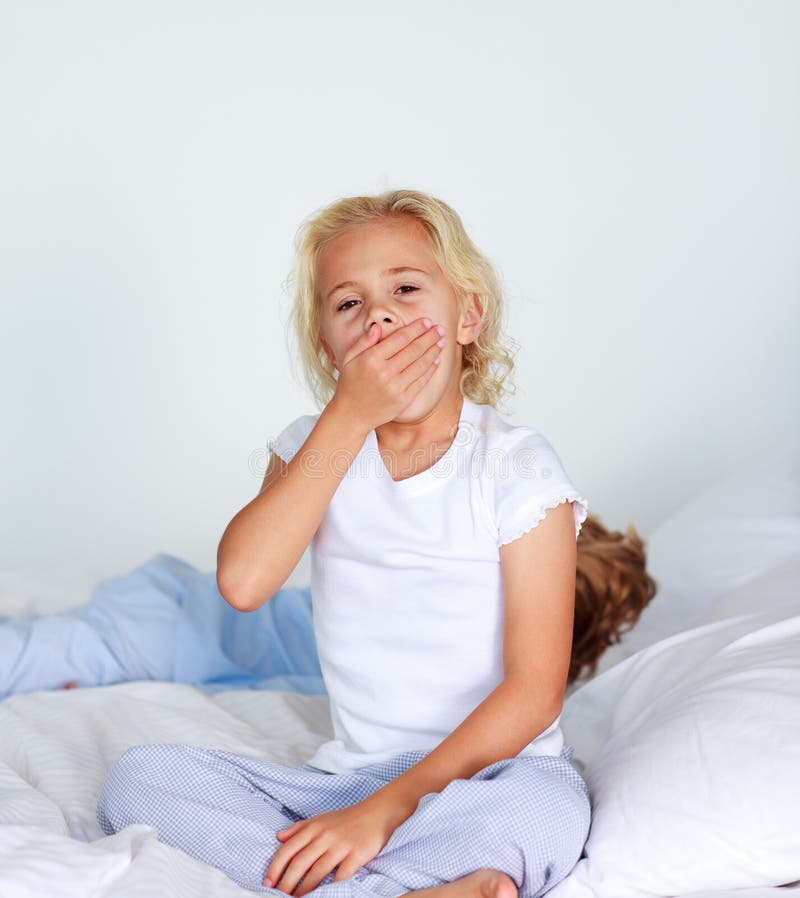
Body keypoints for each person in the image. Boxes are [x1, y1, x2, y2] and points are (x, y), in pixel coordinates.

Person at [95, 189, 655, 898]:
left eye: (407, 288)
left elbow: (534, 694)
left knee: (550, 811)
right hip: (351, 779)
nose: (379, 314)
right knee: (140, 779)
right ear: (329, 347)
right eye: (349, 304)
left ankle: (370, 881)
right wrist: (348, 417)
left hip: (492, 772)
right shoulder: (312, 448)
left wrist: (388, 813)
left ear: (467, 317)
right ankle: (423, 886)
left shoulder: (515, 466)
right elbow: (243, 583)